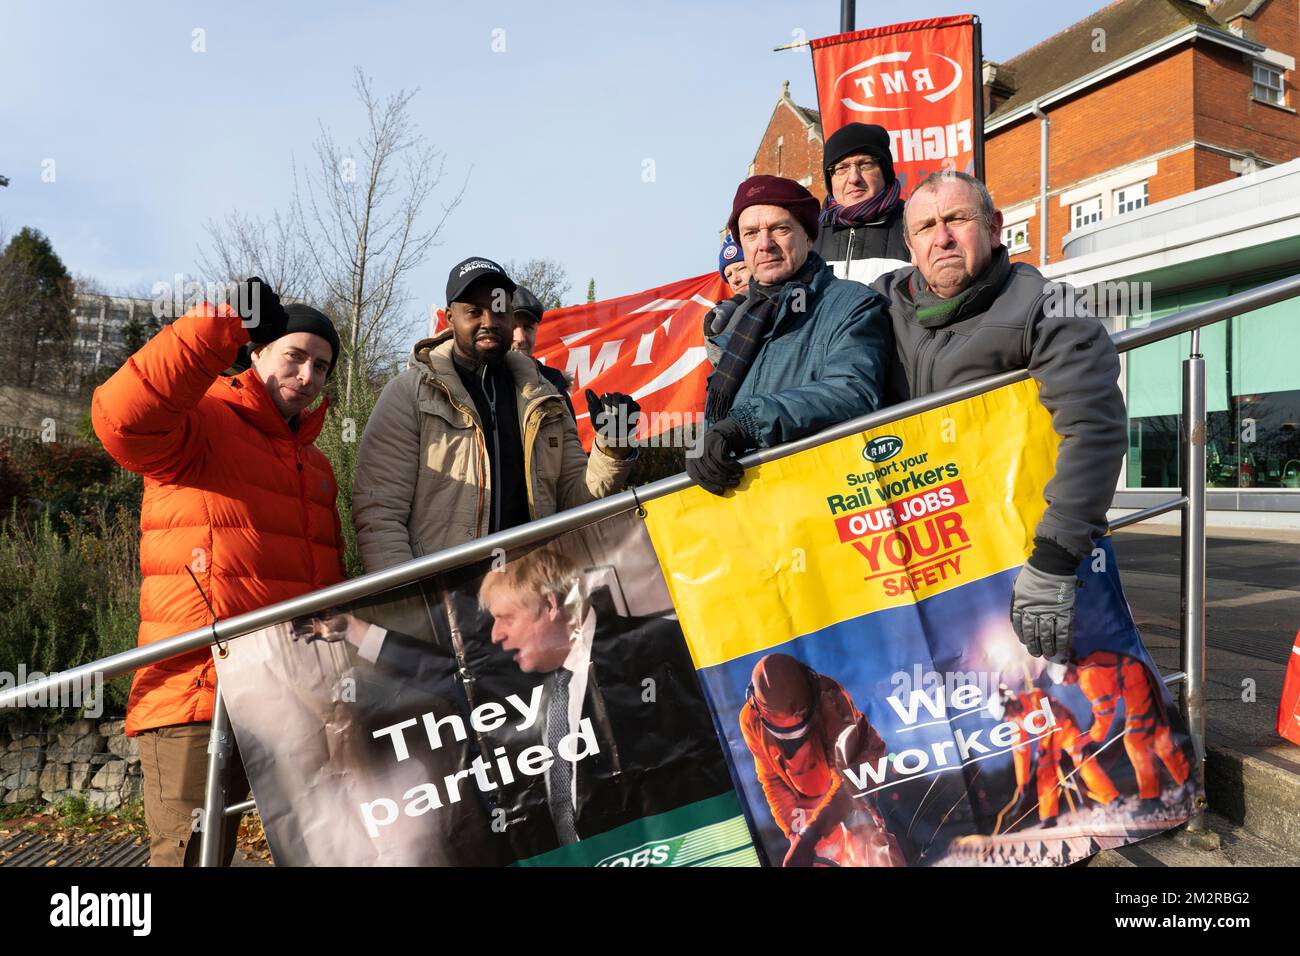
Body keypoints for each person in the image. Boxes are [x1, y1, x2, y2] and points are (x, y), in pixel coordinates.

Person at [91, 278, 346, 866]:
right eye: (295, 355)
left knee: (323, 847)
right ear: (256, 352)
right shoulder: (199, 423)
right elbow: (119, 419)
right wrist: (223, 320)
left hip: (292, 696)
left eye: (322, 366)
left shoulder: (317, 466)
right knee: (192, 857)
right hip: (199, 689)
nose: (308, 376)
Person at [873, 171, 1127, 662]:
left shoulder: (1045, 307)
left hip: (1016, 555)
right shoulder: (881, 304)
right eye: (926, 227)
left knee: (1045, 702)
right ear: (910, 245)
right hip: (911, 553)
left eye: (957, 219)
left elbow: (1092, 426)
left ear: (993, 228)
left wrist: (1055, 557)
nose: (941, 237)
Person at [352, 257, 638, 574]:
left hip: (533, 596)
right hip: (447, 601)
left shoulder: (546, 401)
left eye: (499, 310)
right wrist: (417, 606)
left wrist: (612, 446)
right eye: (474, 311)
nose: (489, 320)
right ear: (450, 318)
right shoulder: (407, 395)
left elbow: (575, 504)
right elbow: (379, 514)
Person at [472, 543, 732, 849]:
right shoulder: (542, 697)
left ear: (551, 605)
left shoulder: (658, 646)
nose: (495, 634)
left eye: (506, 618)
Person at [688, 175, 892, 495]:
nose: (764, 244)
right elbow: (721, 421)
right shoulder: (736, 329)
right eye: (751, 234)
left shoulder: (855, 304)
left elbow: (852, 393)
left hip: (829, 498)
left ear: (809, 237)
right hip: (752, 507)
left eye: (780, 229)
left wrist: (748, 423)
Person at [739, 653, 903, 866]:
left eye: (801, 726)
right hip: (810, 804)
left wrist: (809, 837)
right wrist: (794, 834)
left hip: (857, 778)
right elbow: (772, 780)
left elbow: (849, 781)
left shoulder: (831, 696)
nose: (796, 738)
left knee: (872, 848)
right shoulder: (750, 720)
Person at [1067, 650, 1190, 811]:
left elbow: (1104, 711)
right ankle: (1186, 781)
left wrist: (1093, 737)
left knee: (1136, 741)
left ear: (1068, 671)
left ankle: (1153, 797)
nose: (1066, 684)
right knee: (1158, 735)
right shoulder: (1089, 664)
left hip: (1134, 680)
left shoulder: (1087, 677)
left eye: (1064, 680)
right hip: (1135, 675)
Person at [996, 687, 1118, 831]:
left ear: (1010, 702)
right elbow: (1020, 750)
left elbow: (1052, 719)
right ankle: (1049, 818)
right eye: (1006, 716)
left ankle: (1112, 798)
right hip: (1047, 741)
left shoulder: (1035, 696)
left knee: (1082, 760)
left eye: (1007, 713)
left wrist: (1043, 746)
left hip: (1065, 728)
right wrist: (1022, 781)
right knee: (1044, 771)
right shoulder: (1016, 720)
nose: (1009, 717)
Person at [814, 122, 911, 284]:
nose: (853, 178)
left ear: (884, 172)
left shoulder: (913, 225)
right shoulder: (810, 235)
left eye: (865, 165)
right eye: (841, 168)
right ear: (830, 180)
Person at [510, 283, 575, 421]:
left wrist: (611, 439)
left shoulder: (555, 387)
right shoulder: (480, 384)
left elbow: (571, 441)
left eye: (527, 328)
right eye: (512, 327)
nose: (520, 338)